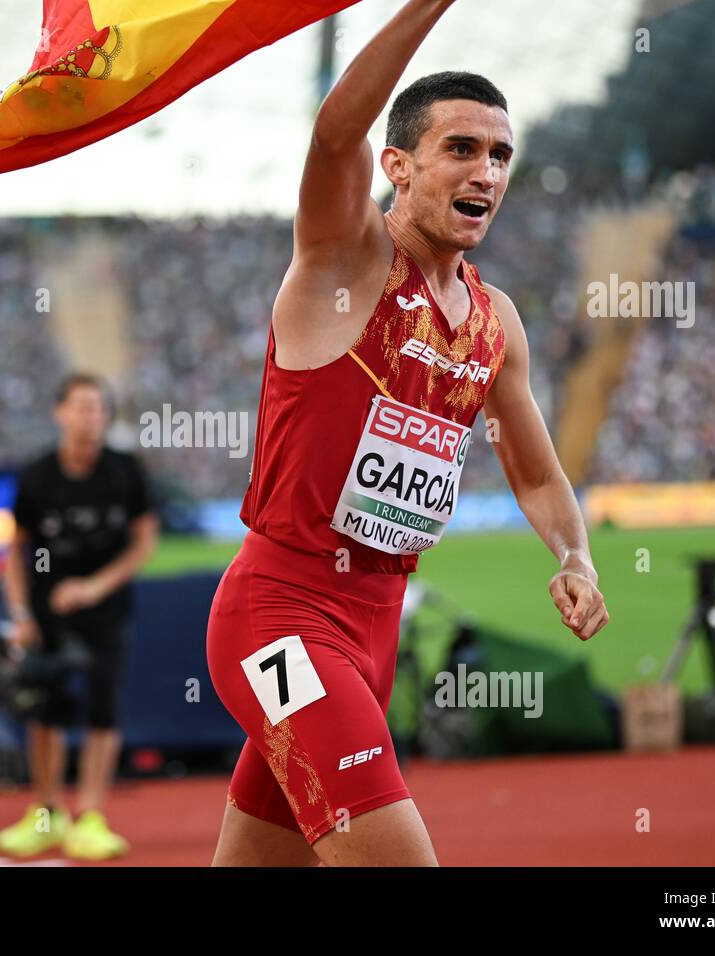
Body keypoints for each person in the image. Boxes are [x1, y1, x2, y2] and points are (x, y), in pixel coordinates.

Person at [206, 0, 609, 867]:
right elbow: (331, 135)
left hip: (375, 630)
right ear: (397, 165)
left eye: (501, 154)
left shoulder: (496, 323)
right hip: (279, 617)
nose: (487, 171)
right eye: (460, 148)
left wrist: (575, 557)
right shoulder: (344, 261)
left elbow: (536, 478)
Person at [0, 372, 160, 860]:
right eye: (81, 407)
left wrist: (95, 587)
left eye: (99, 408)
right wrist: (20, 612)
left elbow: (145, 541)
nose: (91, 417)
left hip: (106, 610)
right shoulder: (37, 476)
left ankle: (90, 815)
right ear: (59, 413)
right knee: (43, 710)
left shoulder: (125, 471)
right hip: (46, 610)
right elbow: (15, 550)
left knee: (103, 710)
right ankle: (46, 813)